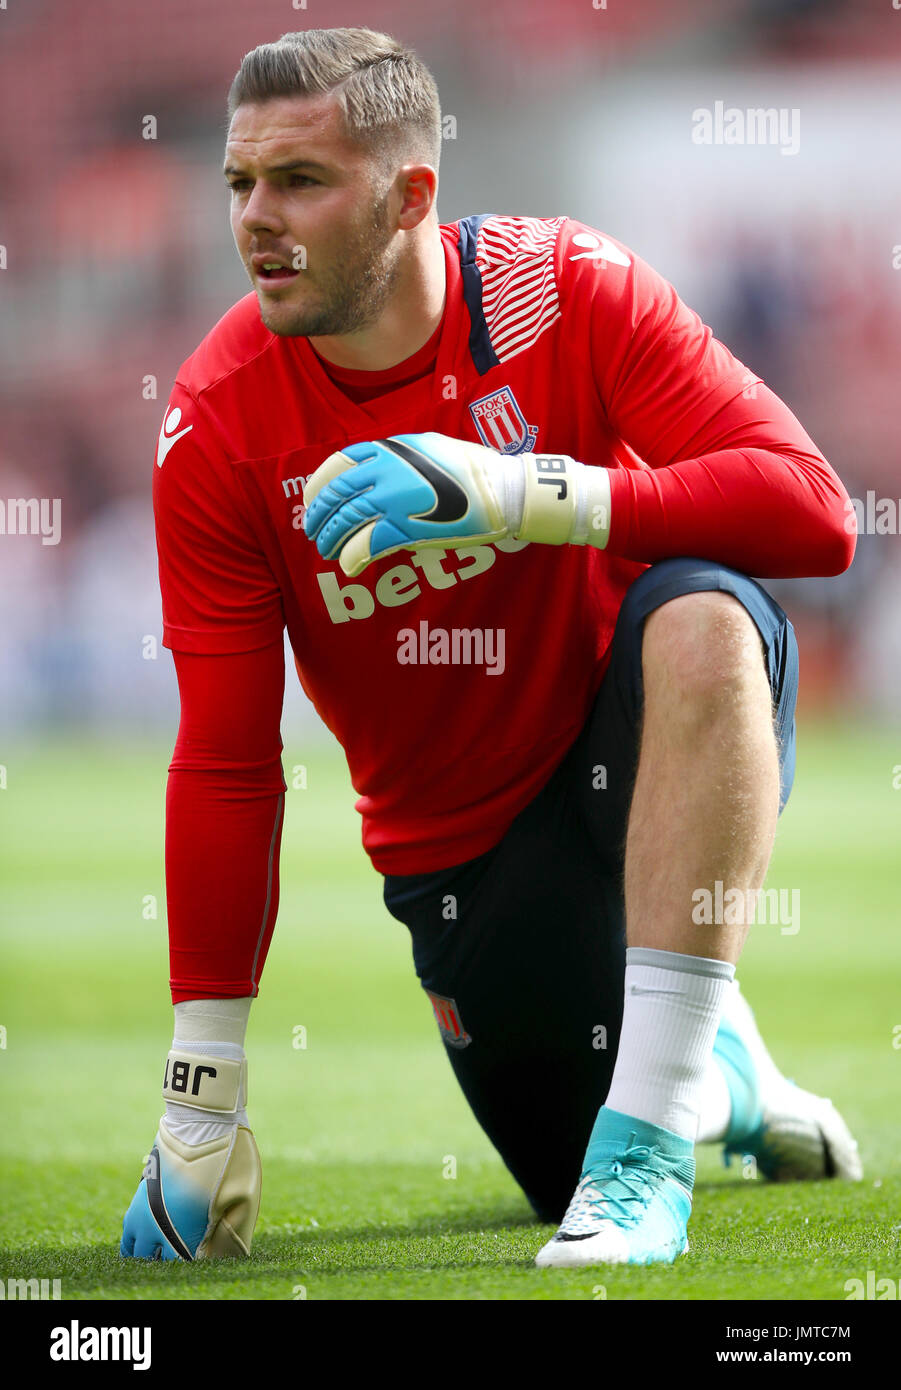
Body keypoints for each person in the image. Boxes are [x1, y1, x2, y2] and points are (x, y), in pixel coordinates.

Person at [121, 27, 861, 1269]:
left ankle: (646, 1158)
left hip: (633, 729)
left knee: (701, 614)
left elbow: (815, 510)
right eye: (240, 182)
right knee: (545, 1162)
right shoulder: (216, 424)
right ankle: (715, 1068)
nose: (257, 218)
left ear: (413, 194)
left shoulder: (561, 288)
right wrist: (202, 1101)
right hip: (465, 854)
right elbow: (228, 763)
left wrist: (529, 495)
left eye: (301, 180)